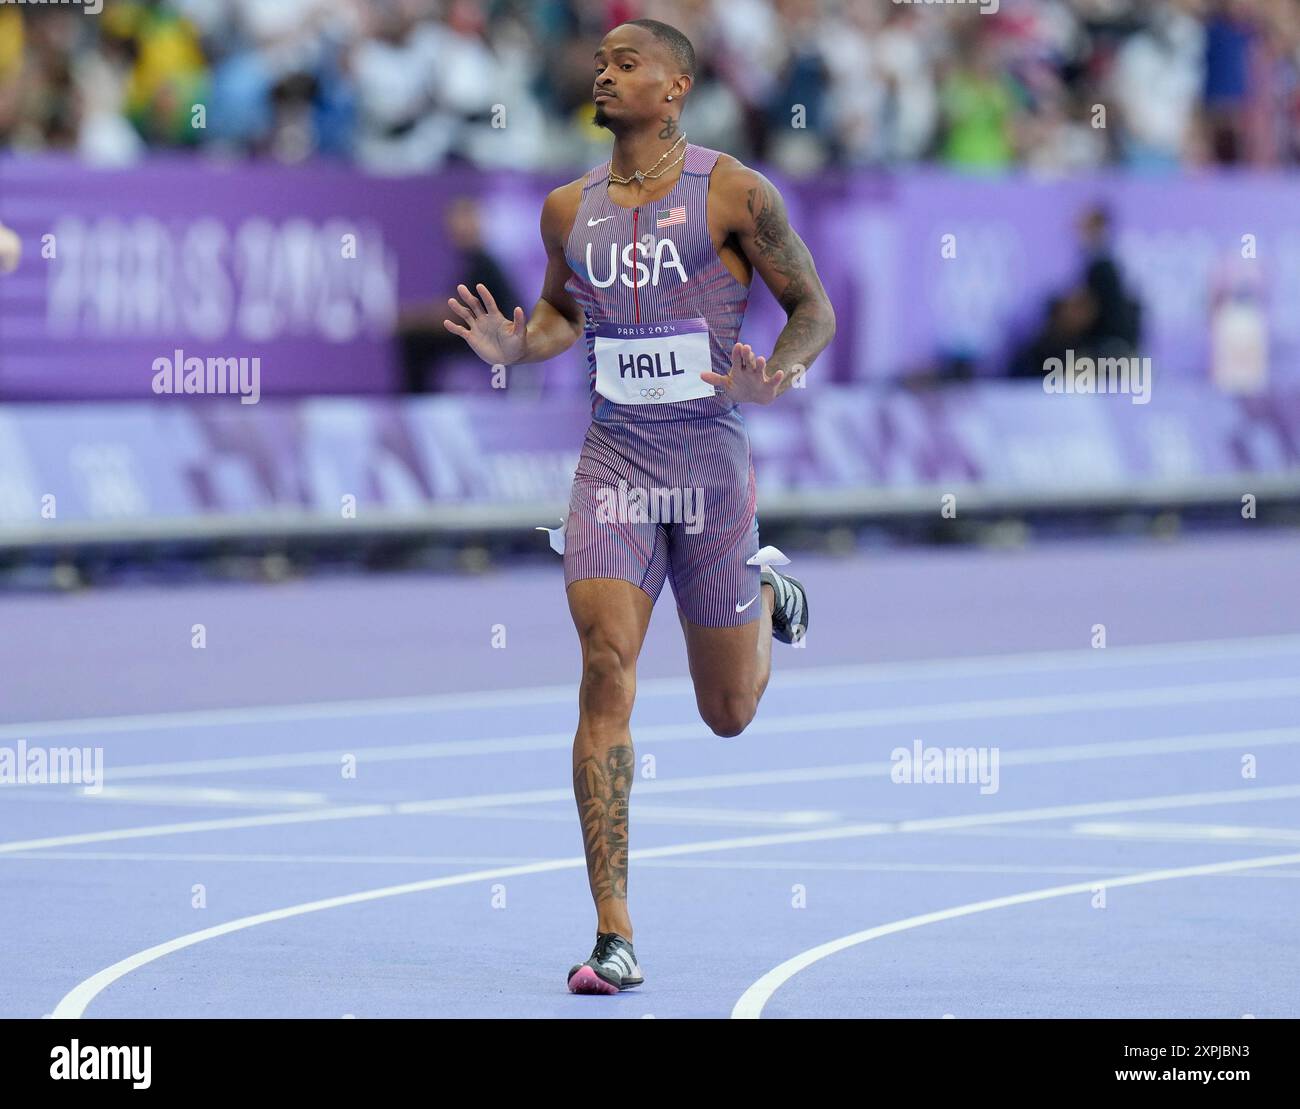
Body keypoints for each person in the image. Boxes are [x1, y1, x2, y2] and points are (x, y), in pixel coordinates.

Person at [443, 18, 836, 995]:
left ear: (673, 90)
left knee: (729, 712)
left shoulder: (736, 192)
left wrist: (776, 373)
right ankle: (614, 931)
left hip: (707, 467)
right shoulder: (565, 208)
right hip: (614, 463)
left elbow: (813, 310)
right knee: (604, 663)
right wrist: (513, 344)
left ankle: (760, 584)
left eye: (627, 63)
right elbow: (557, 317)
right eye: (600, 59)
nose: (602, 72)